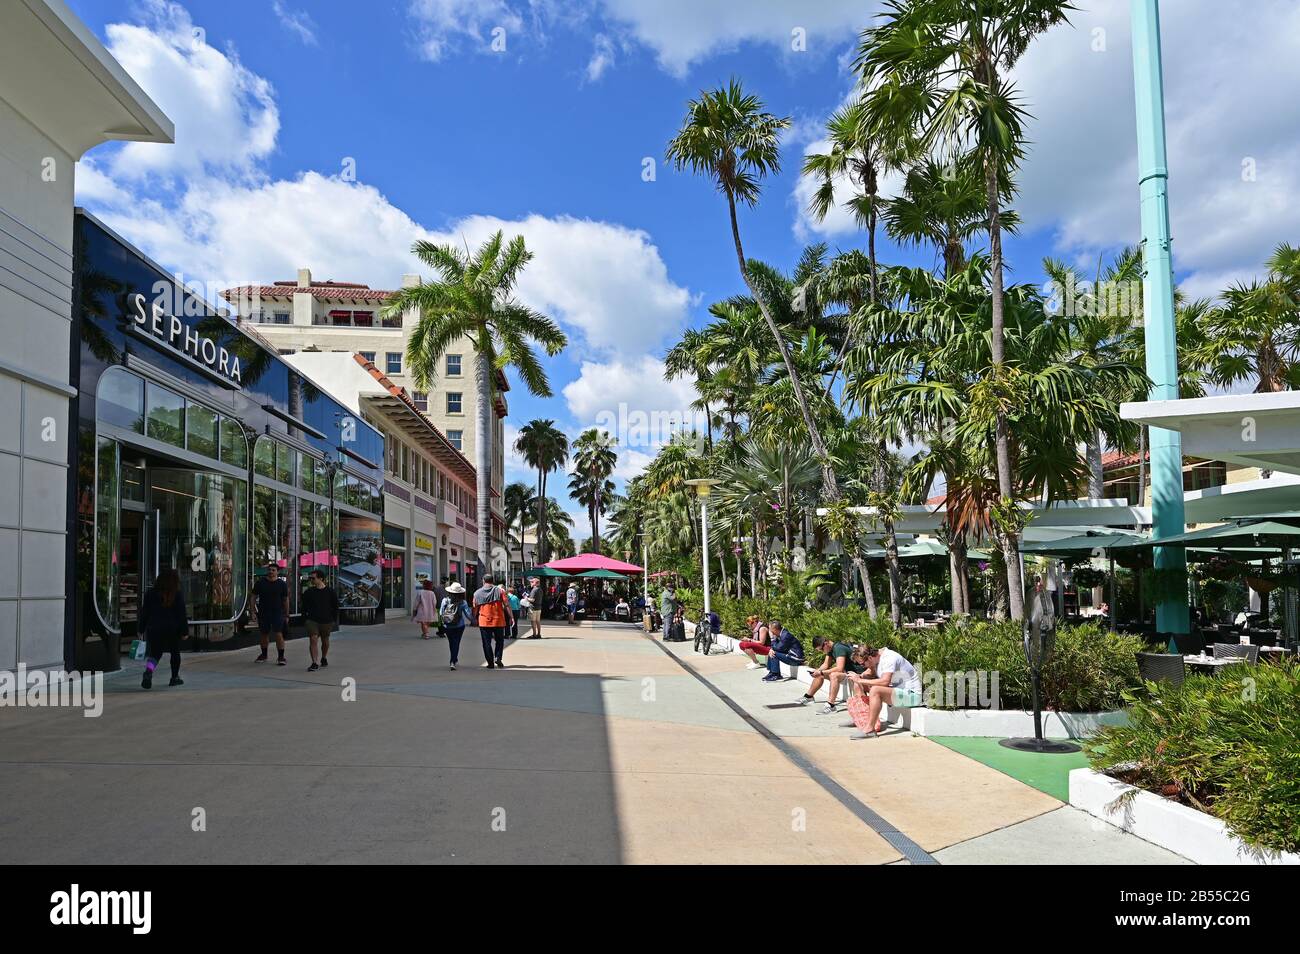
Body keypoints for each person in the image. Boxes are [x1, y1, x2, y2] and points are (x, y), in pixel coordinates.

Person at [844, 645, 922, 738]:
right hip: (898, 692)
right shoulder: (877, 659)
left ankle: (870, 729)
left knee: (875, 690)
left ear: (869, 658)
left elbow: (885, 682)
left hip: (912, 696)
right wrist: (859, 678)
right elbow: (868, 675)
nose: (862, 666)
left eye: (862, 664)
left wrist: (859, 679)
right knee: (859, 684)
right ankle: (862, 717)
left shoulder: (889, 658)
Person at [139, 567, 187, 689]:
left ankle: (148, 672)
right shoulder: (177, 594)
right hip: (172, 629)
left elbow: (145, 613)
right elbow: (182, 614)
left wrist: (141, 629)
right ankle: (174, 677)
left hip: (154, 628)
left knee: (155, 654)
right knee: (175, 653)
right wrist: (184, 631)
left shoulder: (150, 594)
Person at [795, 635, 862, 714]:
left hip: (856, 673)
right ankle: (809, 697)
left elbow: (839, 668)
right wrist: (817, 671)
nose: (822, 651)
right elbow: (825, 665)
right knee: (819, 674)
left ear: (826, 643)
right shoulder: (831, 649)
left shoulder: (839, 648)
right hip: (847, 672)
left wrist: (821, 672)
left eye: (821, 649)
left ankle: (831, 705)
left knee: (834, 675)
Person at [252, 562, 290, 665]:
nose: (271, 572)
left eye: (273, 570)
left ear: (277, 572)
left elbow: (285, 599)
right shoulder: (260, 583)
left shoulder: (281, 584)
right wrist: (253, 611)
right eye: (269, 570)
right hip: (264, 612)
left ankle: (281, 657)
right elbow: (253, 597)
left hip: (278, 613)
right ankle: (264, 655)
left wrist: (287, 614)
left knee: (278, 633)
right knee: (264, 634)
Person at [301, 570, 339, 671]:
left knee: (325, 641)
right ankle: (314, 662)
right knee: (313, 639)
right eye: (310, 578)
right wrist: (305, 619)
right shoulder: (309, 592)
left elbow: (335, 607)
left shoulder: (330, 591)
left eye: (313, 578)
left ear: (321, 578)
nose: (311, 580)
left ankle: (324, 657)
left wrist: (334, 620)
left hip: (327, 621)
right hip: (312, 620)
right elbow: (303, 607)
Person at [473, 574, 513, 669]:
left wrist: (474, 618)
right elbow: (507, 605)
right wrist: (511, 617)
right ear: (493, 581)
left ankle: (490, 663)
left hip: (484, 621)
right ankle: (498, 657)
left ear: (483, 581)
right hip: (498, 620)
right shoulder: (500, 591)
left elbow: (475, 608)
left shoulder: (477, 593)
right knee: (499, 641)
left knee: (486, 642)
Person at [439, 582, 473, 670]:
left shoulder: (445, 600)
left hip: (447, 625)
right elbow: (468, 614)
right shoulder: (463, 602)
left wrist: (443, 623)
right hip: (459, 625)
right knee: (456, 643)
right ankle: (453, 661)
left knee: (451, 643)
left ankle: (454, 659)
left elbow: (441, 613)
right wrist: (474, 621)